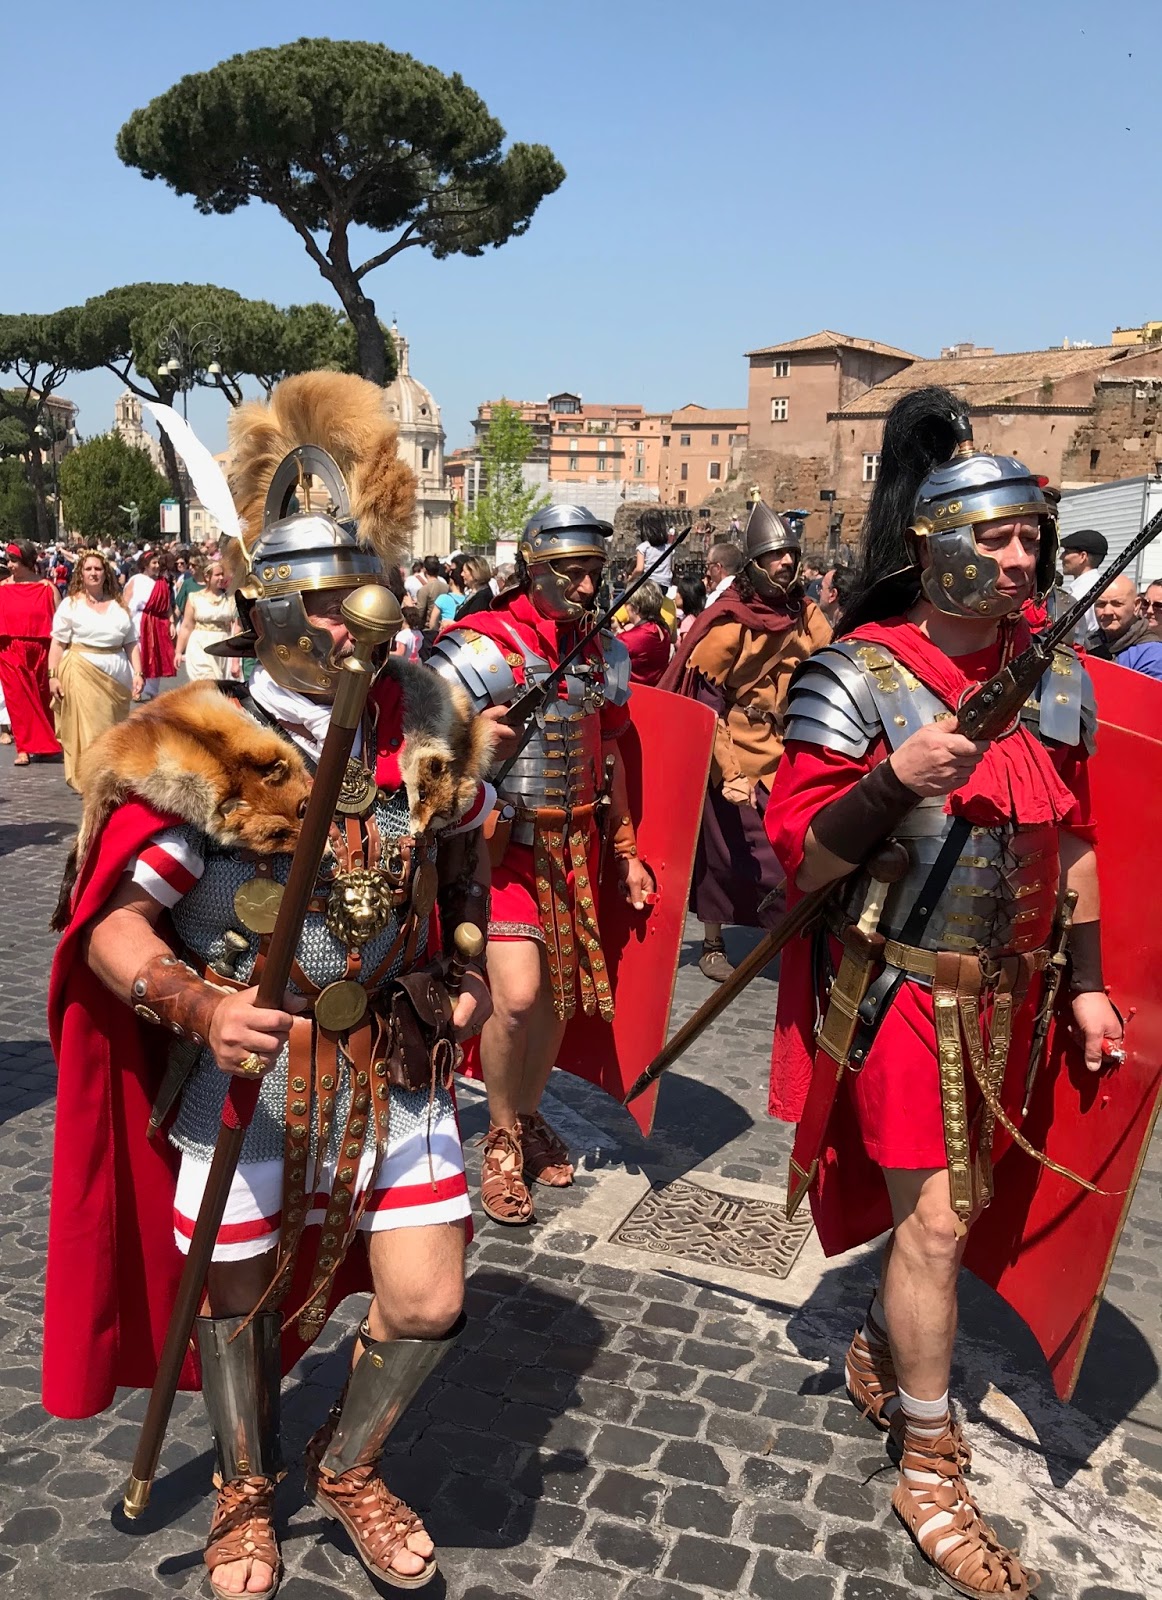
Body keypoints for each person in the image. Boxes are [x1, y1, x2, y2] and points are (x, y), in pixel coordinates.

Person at [44, 372, 497, 1596]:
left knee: (430, 1295)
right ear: (273, 606)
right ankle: (246, 1488)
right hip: (251, 1066)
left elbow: (462, 856)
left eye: (371, 600)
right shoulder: (198, 734)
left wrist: (462, 961)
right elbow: (112, 930)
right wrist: (195, 1005)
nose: (360, 625)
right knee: (234, 1296)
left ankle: (346, 1465)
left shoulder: (428, 713)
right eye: (331, 603)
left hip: (396, 1060)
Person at [767, 387, 1120, 1598]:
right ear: (938, 544)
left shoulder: (1054, 678)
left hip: (1015, 993)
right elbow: (800, 861)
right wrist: (894, 781)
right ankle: (926, 1459)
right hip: (904, 995)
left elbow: (1071, 843)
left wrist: (1086, 985)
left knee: (963, 1213)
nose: (1023, 557)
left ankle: (880, 1337)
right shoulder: (855, 679)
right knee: (931, 1224)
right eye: (1001, 537)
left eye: (1033, 536)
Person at [431, 504, 654, 1225]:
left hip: (577, 846)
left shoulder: (601, 651)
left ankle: (526, 1116)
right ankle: (497, 1135)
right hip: (503, 851)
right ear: (534, 570)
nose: (591, 588)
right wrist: (474, 750)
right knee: (518, 998)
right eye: (575, 573)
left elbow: (611, 752)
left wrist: (626, 851)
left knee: (560, 996)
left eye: (598, 573)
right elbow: (421, 757)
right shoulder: (479, 645)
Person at [660, 504, 831, 981]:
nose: (786, 563)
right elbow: (705, 707)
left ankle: (796, 933)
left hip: (786, 746)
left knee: (793, 846)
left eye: (791, 554)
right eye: (776, 555)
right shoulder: (729, 624)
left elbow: (836, 661)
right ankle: (714, 941)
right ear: (755, 564)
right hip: (731, 746)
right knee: (728, 850)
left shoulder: (805, 615)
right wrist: (729, 772)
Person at [48, 550, 143, 789]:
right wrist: (53, 676)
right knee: (91, 733)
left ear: (105, 573)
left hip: (117, 676)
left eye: (98, 569)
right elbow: (58, 643)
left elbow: (131, 642)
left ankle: (111, 774)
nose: (93, 573)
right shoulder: (71, 605)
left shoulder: (119, 605)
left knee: (113, 732)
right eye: (88, 569)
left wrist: (138, 673)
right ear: (81, 572)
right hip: (81, 670)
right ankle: (96, 781)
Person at [0, 538, 61, 766]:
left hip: (42, 650)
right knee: (18, 699)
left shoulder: (47, 588)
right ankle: (24, 747)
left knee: (41, 697)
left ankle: (45, 744)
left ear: (27, 561)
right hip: (9, 650)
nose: (10, 565)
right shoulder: (3, 588)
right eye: (9, 560)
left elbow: (61, 623)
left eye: (15, 560)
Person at [123, 549, 177, 699]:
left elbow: (167, 606)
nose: (157, 565)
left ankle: (152, 691)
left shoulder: (162, 582)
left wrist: (171, 622)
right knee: (139, 653)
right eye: (153, 563)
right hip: (140, 621)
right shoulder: (137, 580)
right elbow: (126, 601)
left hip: (158, 622)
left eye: (158, 562)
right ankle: (136, 687)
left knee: (155, 655)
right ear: (145, 565)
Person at [175, 560, 239, 681]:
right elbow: (187, 626)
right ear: (207, 577)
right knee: (207, 682)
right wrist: (178, 651)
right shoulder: (195, 597)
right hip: (200, 645)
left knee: (220, 685)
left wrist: (235, 660)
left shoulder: (230, 598)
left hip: (222, 645)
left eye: (222, 574)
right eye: (217, 574)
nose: (221, 577)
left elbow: (236, 627)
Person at [1090, 574, 1162, 680]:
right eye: (1101, 604)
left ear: (1136, 605)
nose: (1107, 611)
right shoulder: (1088, 642)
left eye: (1117, 604)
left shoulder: (1152, 655)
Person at [618, 580, 672, 685]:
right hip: (656, 692)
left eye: (627, 603)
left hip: (635, 695)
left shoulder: (631, 638)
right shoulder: (663, 630)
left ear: (636, 608)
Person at [1059, 527, 1107, 638]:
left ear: (1082, 557)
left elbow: (1070, 636)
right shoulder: (1098, 585)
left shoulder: (1081, 594)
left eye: (1067, 552)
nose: (1061, 557)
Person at [633, 508, 674, 590]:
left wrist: (630, 579)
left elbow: (639, 569)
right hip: (665, 585)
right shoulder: (669, 548)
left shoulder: (643, 547)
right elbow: (671, 568)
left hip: (650, 586)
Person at [703, 540, 742, 604]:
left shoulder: (716, 598)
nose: (707, 572)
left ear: (717, 568)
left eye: (708, 565)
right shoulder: (747, 592)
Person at [674, 576, 706, 642]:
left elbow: (687, 649)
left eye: (678, 591)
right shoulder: (702, 617)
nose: (675, 596)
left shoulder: (688, 622)